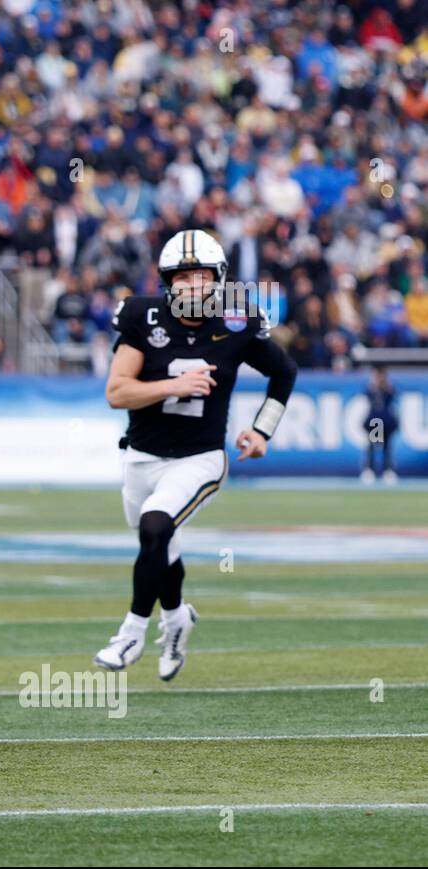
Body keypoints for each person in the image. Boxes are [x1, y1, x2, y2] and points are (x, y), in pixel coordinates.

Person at [95, 229, 297, 680]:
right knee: (160, 546)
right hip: (141, 457)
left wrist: (263, 429)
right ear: (167, 282)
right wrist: (173, 385)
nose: (192, 286)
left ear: (218, 279)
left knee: (155, 526)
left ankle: (131, 633)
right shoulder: (140, 315)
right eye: (182, 278)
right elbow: (116, 393)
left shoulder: (237, 319)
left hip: (200, 457)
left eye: (201, 277)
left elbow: (284, 372)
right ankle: (176, 619)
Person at [362, 366, 398, 484]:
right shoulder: (372, 389)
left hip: (386, 422)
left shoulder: (388, 389)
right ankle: (369, 470)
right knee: (372, 446)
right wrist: (374, 387)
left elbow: (392, 397)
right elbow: (367, 396)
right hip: (375, 422)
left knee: (387, 447)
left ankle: (388, 470)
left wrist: (386, 387)